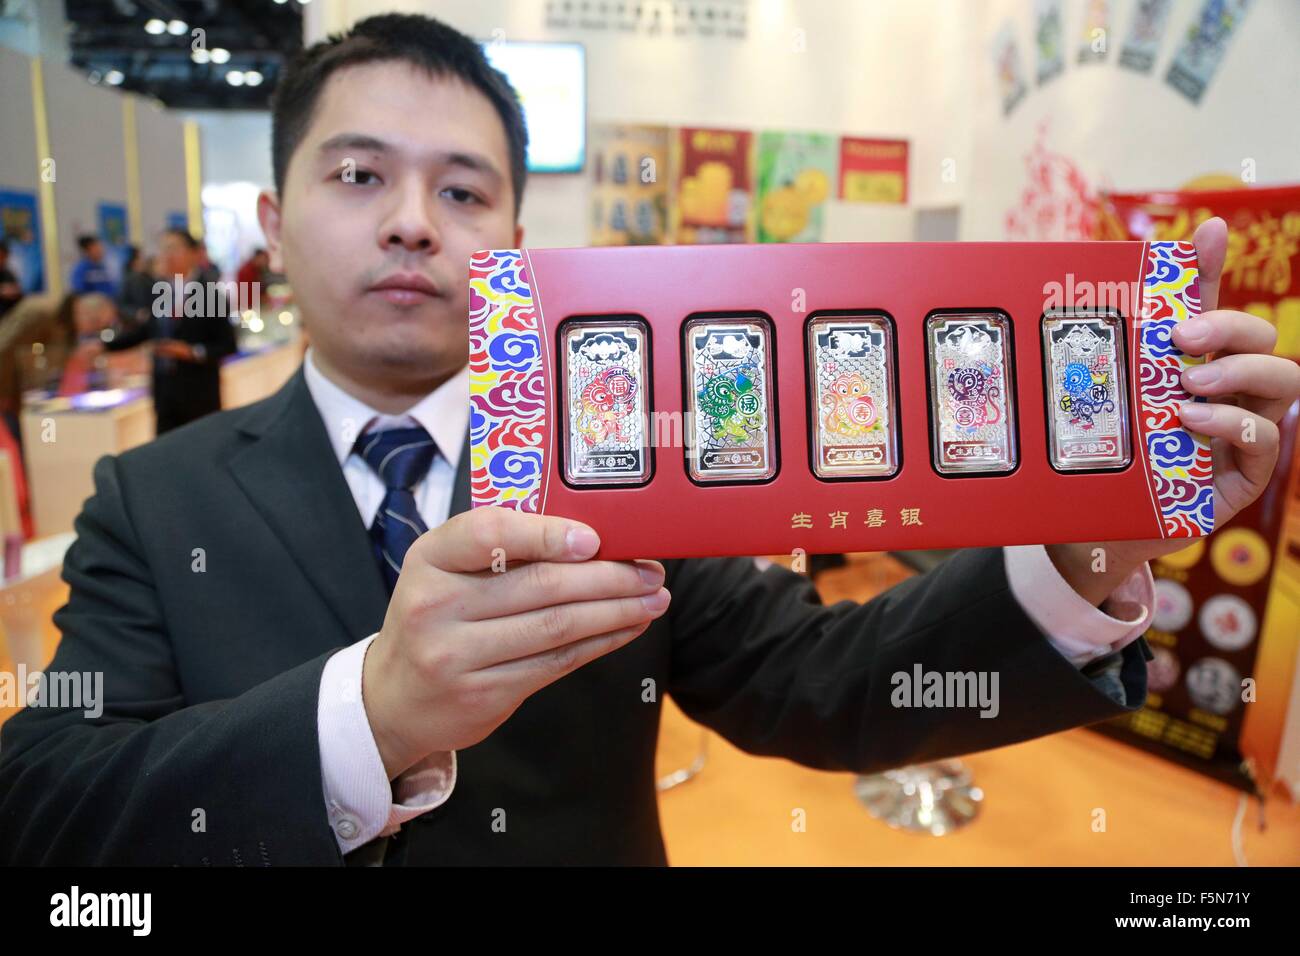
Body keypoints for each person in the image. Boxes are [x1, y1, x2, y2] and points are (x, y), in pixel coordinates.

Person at [0, 13, 1296, 867]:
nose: (412, 223)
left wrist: (1080, 552)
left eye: (461, 188)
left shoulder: (624, 447)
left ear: (509, 235)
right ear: (275, 220)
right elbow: (48, 801)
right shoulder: (151, 502)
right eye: (359, 177)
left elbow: (824, 681)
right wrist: (372, 715)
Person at [101, 228, 239, 434]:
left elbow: (227, 346)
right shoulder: (159, 292)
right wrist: (104, 345)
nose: (166, 255)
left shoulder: (211, 295)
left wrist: (191, 352)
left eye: (173, 248)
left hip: (198, 396)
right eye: (162, 249)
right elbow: (146, 332)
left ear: (194, 253)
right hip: (164, 395)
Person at [0, 240, 23, 319]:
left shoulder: (7, 273)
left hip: (8, 319)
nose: (2, 260)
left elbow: (17, 291)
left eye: (4, 256)